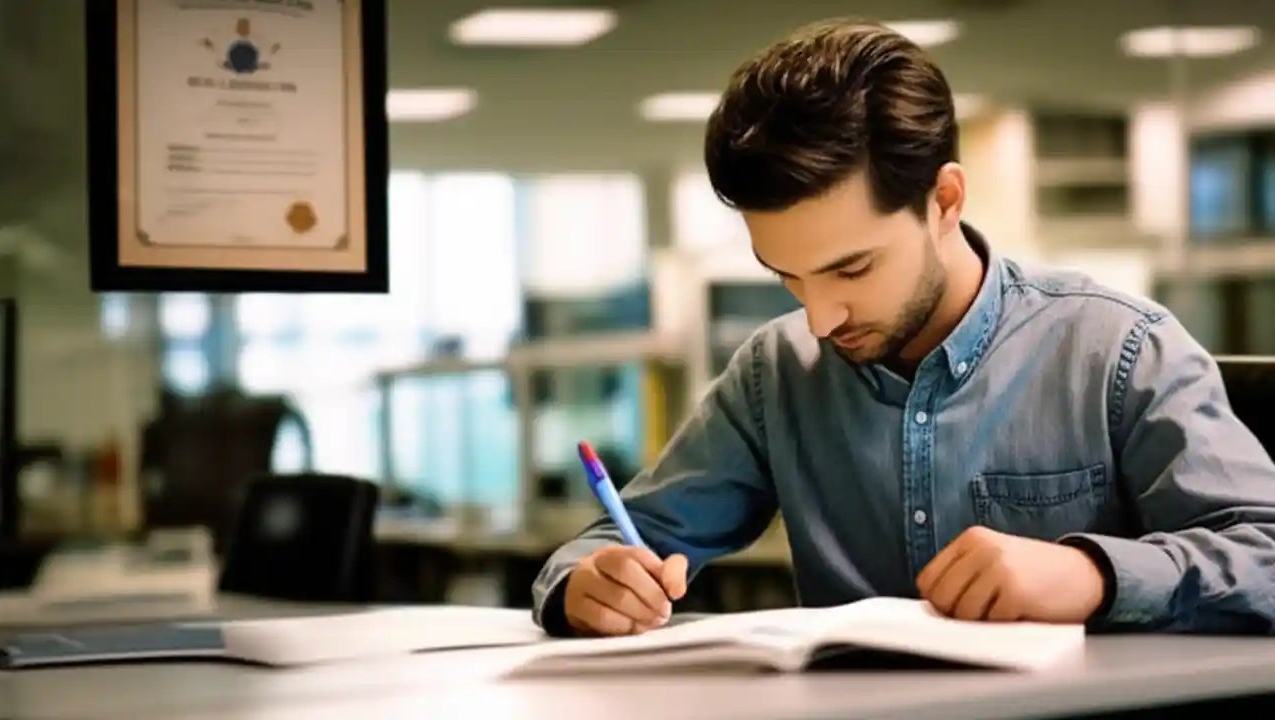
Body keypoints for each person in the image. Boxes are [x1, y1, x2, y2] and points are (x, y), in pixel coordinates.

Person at [531, 18, 1275, 637]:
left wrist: (1092, 574)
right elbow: (616, 541)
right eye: (787, 276)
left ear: (945, 199)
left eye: (852, 270)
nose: (817, 320)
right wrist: (588, 584)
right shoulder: (772, 378)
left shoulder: (1120, 351)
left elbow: (1265, 554)